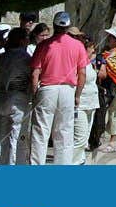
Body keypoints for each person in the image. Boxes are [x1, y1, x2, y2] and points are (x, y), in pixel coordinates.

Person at [27, 10, 87, 165]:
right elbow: (82, 73)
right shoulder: (78, 46)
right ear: (68, 27)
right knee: (65, 133)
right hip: (67, 90)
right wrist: (78, 95)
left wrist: (34, 94)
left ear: (54, 26)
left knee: (40, 132)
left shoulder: (44, 45)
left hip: (47, 89)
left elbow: (35, 73)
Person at [0, 27, 32, 165]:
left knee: (0, 136)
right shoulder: (24, 57)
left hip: (1, 97)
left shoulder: (5, 55)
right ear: (21, 40)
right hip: (17, 97)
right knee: (16, 136)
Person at [71, 35, 101, 164]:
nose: (93, 52)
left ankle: (81, 160)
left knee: (85, 137)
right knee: (80, 137)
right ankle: (73, 163)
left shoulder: (89, 64)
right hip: (81, 104)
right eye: (91, 50)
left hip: (91, 102)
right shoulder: (77, 63)